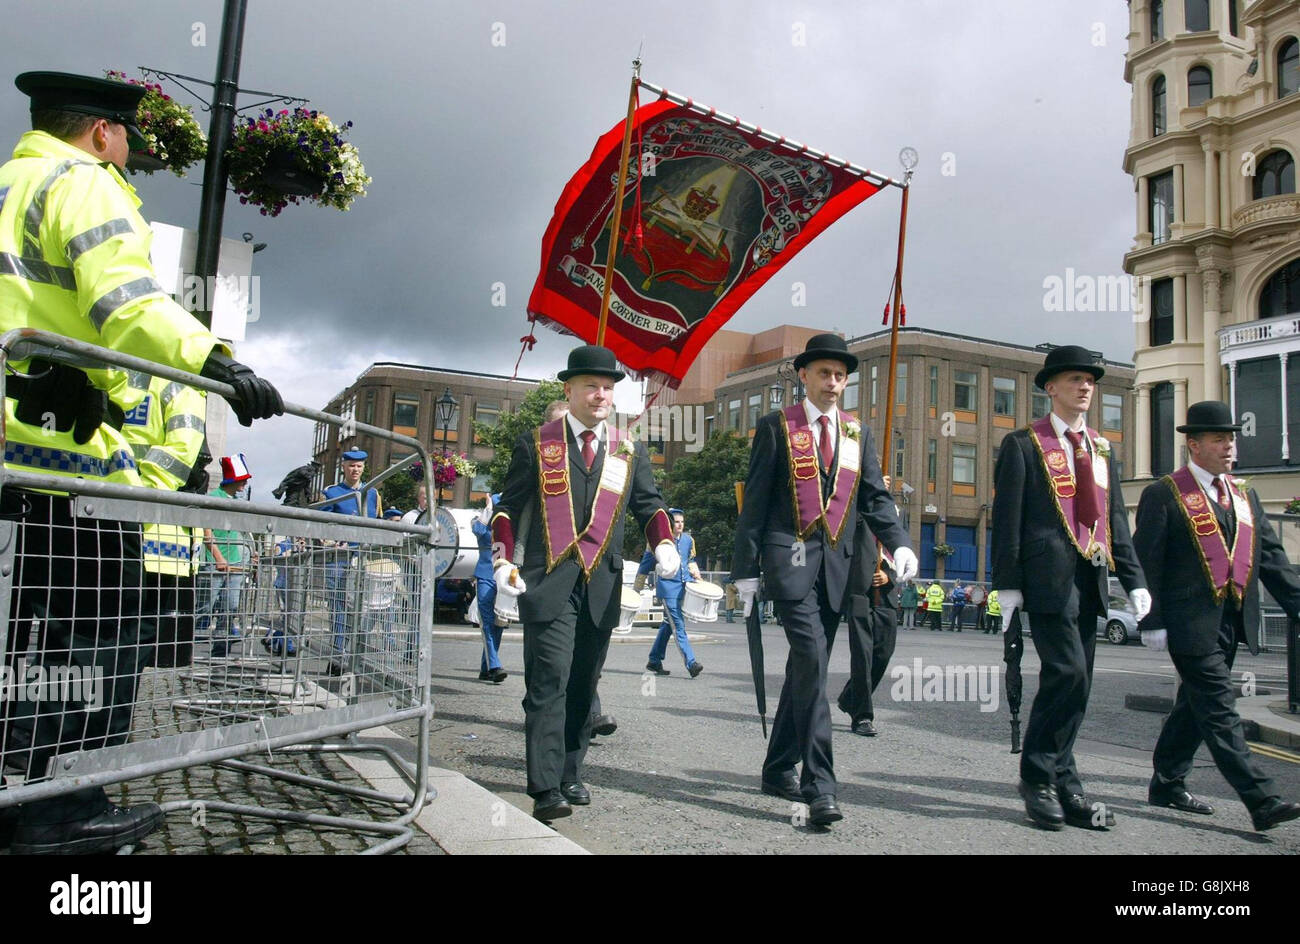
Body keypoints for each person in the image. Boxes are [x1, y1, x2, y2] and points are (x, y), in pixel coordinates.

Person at [0, 71, 281, 854]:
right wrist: (214, 359)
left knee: (19, 639)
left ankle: (15, 789)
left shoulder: (7, 182)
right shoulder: (83, 183)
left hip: (14, 454)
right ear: (99, 132)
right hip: (69, 461)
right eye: (126, 141)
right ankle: (61, 805)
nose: (129, 157)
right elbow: (124, 302)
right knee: (94, 637)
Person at [732, 333, 916, 827]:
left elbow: (875, 498)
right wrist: (745, 571)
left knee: (804, 670)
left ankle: (776, 769)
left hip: (838, 568)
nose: (833, 383)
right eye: (824, 374)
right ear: (804, 376)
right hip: (789, 563)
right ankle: (820, 786)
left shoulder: (857, 434)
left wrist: (899, 542)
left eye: (840, 375)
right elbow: (757, 502)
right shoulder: (777, 427)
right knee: (813, 658)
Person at [492, 345, 675, 822]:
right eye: (591, 386)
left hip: (601, 583)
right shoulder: (537, 441)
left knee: (582, 682)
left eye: (609, 388)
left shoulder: (628, 448)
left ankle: (573, 771)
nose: (601, 395)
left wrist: (664, 544)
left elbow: (650, 506)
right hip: (548, 579)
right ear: (568, 389)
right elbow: (507, 508)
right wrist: (500, 559)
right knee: (548, 677)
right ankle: (545, 787)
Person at [992, 345, 1148, 832]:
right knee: (1067, 673)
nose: (1085, 387)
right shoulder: (1024, 444)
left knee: (1079, 684)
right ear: (1051, 387)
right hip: (1046, 577)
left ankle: (1064, 780)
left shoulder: (1101, 449)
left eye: (1090, 380)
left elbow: (1115, 519)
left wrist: (1135, 579)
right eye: (1075, 379)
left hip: (1091, 576)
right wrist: (1008, 585)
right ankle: (1038, 777)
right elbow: (1007, 519)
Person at [1134, 401, 1300, 832]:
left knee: (1193, 706)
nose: (1229, 447)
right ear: (1194, 445)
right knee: (1220, 707)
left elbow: (1273, 559)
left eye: (1231, 439)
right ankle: (1261, 798)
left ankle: (1167, 781)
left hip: (1233, 620)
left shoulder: (1244, 495)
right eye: (1219, 439)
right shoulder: (1164, 493)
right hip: (1190, 622)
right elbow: (1146, 561)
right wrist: (1151, 619)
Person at [320, 449, 381, 673]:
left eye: (359, 466)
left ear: (364, 467)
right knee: (339, 609)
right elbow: (322, 523)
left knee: (362, 609)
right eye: (351, 465)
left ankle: (352, 655)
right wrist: (330, 540)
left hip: (363, 559)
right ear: (343, 467)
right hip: (340, 559)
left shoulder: (371, 493)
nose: (355, 470)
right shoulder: (332, 492)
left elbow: (376, 522)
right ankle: (337, 658)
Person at [836, 548, 899, 737]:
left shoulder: (896, 523)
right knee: (862, 655)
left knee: (883, 654)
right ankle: (862, 716)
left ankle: (848, 698)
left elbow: (901, 556)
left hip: (886, 599)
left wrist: (889, 577)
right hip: (859, 594)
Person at [201, 454, 253, 657]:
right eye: (244, 479)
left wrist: (252, 553)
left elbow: (244, 532)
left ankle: (221, 649)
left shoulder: (240, 502)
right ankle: (186, 643)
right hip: (216, 561)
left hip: (237, 561)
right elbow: (207, 532)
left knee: (230, 606)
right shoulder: (213, 499)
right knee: (206, 605)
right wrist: (218, 558)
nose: (246, 483)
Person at [645, 509, 704, 678]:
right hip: (667, 589)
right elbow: (646, 563)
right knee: (678, 625)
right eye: (677, 522)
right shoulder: (660, 541)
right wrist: (636, 587)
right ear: (670, 524)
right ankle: (691, 663)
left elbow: (689, 561)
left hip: (683, 587)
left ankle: (654, 660)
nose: (680, 525)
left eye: (682, 522)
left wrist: (696, 575)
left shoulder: (687, 540)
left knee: (667, 625)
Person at [473, 493, 507, 683]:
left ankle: (485, 668)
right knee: (487, 622)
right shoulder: (482, 523)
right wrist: (487, 509)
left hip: (502, 578)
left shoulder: (507, 527)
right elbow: (477, 530)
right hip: (485, 574)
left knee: (499, 624)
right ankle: (494, 665)